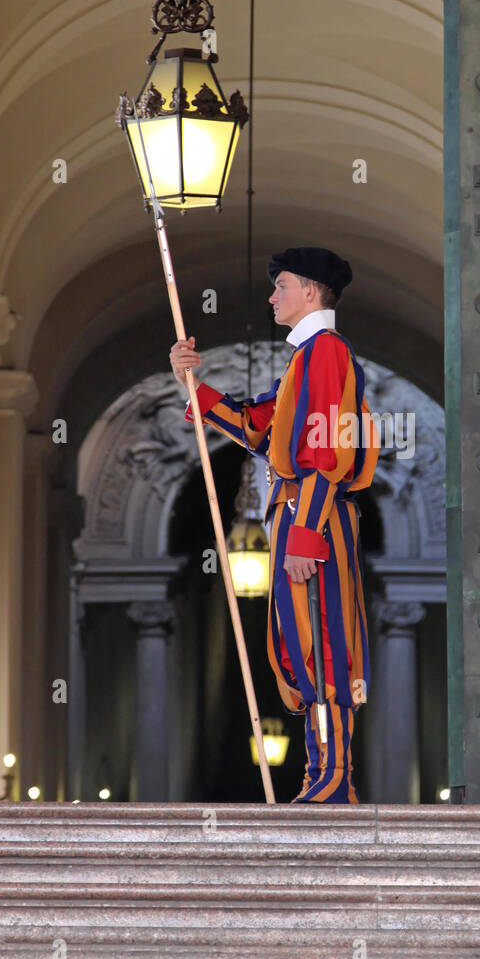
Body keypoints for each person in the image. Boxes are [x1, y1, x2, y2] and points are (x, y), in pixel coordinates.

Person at [169, 247, 379, 803]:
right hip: (299, 517)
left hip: (316, 518)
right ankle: (321, 774)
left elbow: (321, 451)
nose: (272, 296)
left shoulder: (326, 353)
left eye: (281, 285)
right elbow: (258, 429)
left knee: (324, 642)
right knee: (305, 641)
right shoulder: (306, 359)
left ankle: (333, 779)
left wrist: (305, 534)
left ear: (310, 292)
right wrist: (193, 384)